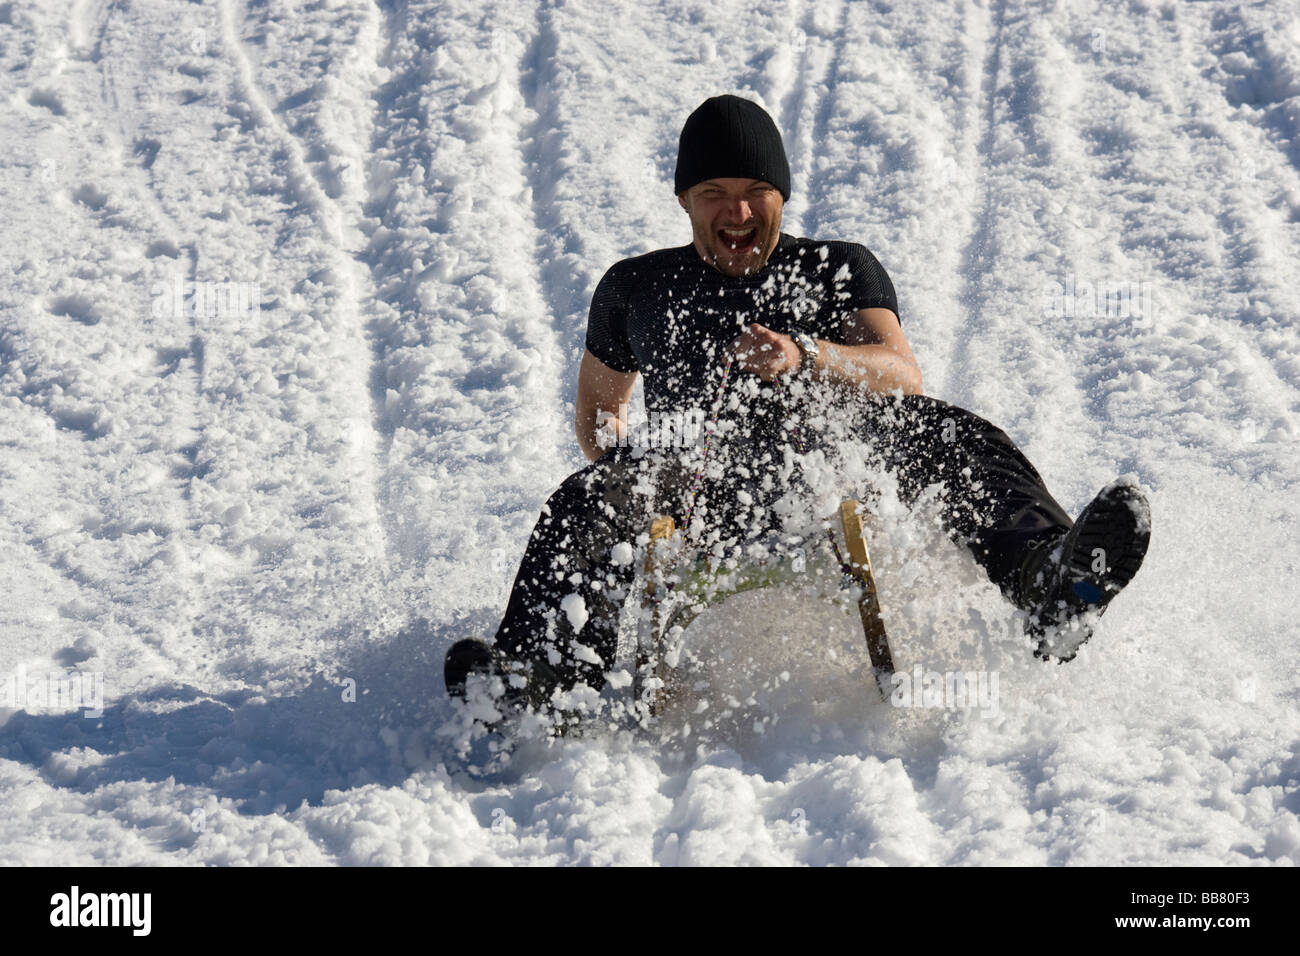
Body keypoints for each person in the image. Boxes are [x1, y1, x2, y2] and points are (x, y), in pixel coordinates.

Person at [445, 94, 1151, 716]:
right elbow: (599, 419)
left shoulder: (835, 269)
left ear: (783, 194)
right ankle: (542, 676)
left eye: (757, 190)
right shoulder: (637, 286)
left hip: (822, 482)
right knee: (588, 496)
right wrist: (629, 473)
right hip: (698, 496)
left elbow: (902, 373)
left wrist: (809, 355)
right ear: (685, 200)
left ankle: (1050, 584)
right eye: (714, 191)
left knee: (947, 431)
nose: (738, 211)